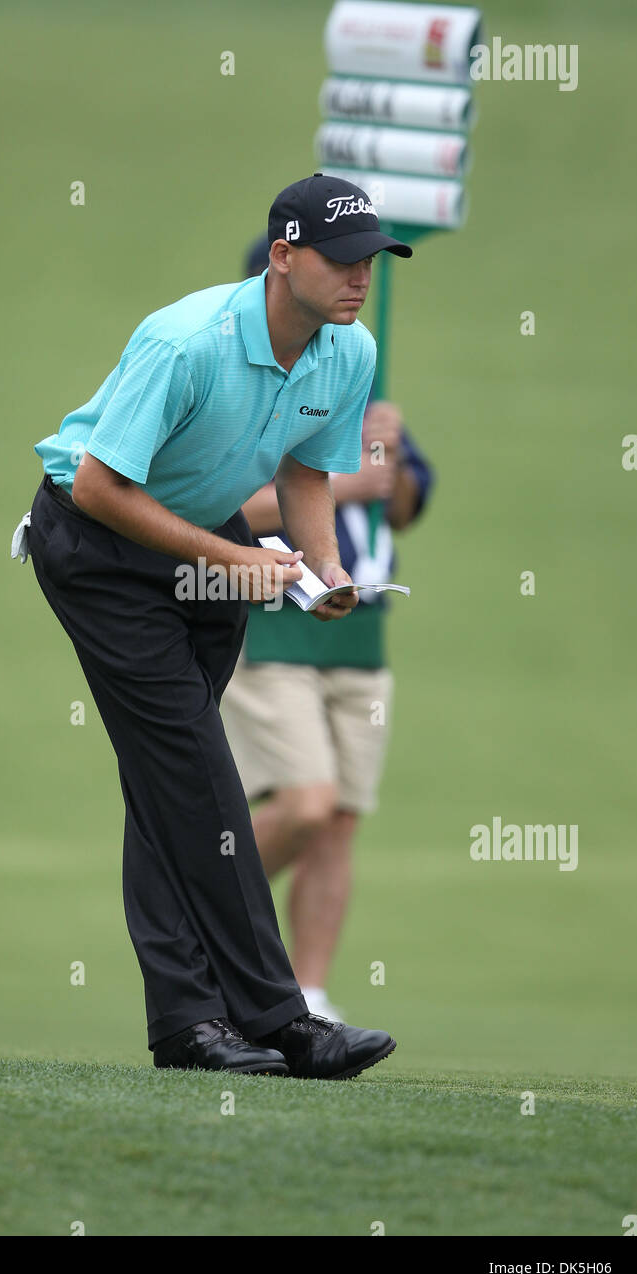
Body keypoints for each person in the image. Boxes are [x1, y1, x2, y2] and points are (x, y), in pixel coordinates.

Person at [14, 174, 412, 1078]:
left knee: (171, 783)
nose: (362, 277)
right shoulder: (185, 341)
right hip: (98, 545)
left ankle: (189, 1028)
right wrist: (237, 560)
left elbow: (309, 473)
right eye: (345, 259)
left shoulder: (347, 350)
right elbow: (98, 488)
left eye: (373, 261)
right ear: (283, 258)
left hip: (202, 541)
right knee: (200, 774)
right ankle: (282, 1018)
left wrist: (326, 568)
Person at [221, 233, 434, 1020]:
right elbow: (228, 508)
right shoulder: (237, 390)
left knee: (339, 820)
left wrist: (389, 465)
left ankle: (306, 995)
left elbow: (406, 502)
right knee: (305, 803)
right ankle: (205, 917)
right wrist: (346, 484)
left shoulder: (352, 378)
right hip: (275, 620)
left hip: (358, 626)